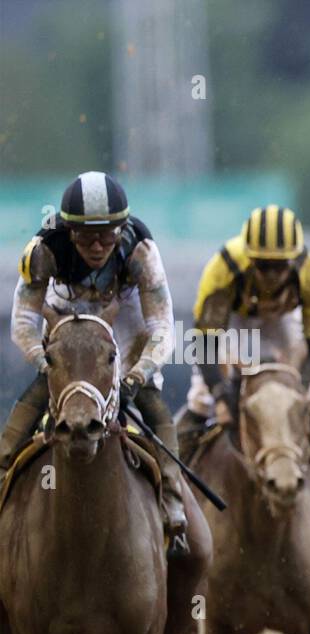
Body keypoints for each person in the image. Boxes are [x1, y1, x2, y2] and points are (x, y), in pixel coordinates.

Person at [4, 171, 188, 544]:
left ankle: (172, 498)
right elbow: (23, 320)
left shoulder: (141, 251)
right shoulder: (43, 250)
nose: (99, 245)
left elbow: (162, 328)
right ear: (69, 232)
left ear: (122, 229)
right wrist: (45, 363)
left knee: (153, 405)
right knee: (38, 397)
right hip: (67, 316)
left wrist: (138, 375)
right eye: (87, 236)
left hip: (124, 316)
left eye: (108, 235)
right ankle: (5, 466)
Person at [178, 205, 310, 520]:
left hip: (283, 321)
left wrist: (298, 388)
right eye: (262, 266)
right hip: (232, 324)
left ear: (293, 260)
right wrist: (219, 394)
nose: (271, 276)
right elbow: (205, 343)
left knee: (309, 400)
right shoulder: (224, 269)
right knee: (200, 400)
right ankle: (173, 489)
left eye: (279, 267)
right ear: (249, 258)